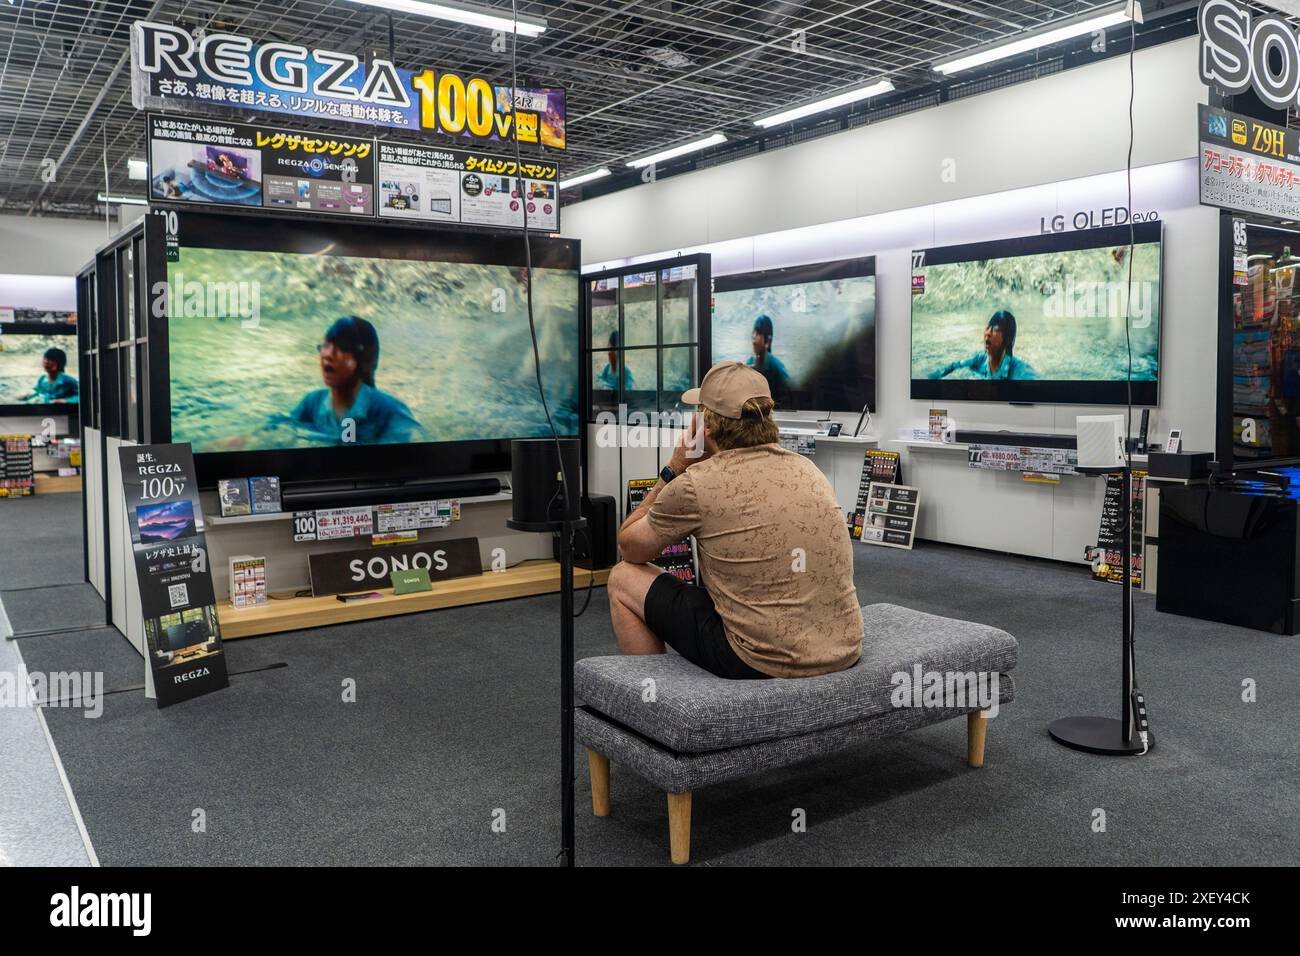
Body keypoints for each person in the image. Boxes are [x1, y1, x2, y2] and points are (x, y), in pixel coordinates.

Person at [608, 361, 863, 679]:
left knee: (622, 578)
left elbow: (630, 547)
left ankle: (652, 700)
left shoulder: (696, 483)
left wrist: (673, 469)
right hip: (844, 647)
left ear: (706, 427)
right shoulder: (807, 469)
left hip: (758, 660)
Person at [289, 316, 420, 445]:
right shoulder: (312, 404)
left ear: (362, 359)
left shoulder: (389, 412)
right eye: (326, 345)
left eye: (341, 347)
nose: (328, 355)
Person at [929, 309, 1037, 381]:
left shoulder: (1019, 371)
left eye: (995, 329)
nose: (988, 333)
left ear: (1007, 339)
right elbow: (953, 367)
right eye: (988, 327)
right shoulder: (979, 361)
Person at [746, 314, 792, 399]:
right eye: (754, 332)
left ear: (768, 340)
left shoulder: (777, 368)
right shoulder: (749, 364)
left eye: (758, 333)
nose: (754, 336)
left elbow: (789, 396)